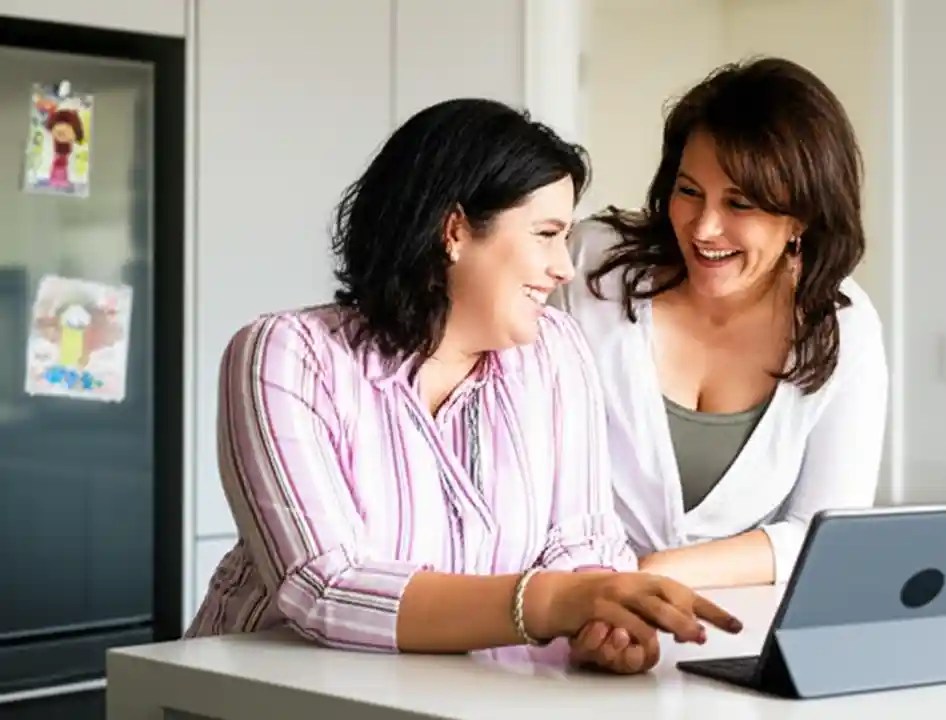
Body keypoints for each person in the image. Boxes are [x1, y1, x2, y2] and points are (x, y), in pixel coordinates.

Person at [186, 98, 741, 675]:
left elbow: (583, 547)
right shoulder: (287, 355)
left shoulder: (556, 351)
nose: (564, 268)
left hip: (461, 697)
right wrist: (551, 602)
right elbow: (325, 586)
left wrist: (603, 620)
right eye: (546, 234)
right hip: (266, 697)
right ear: (453, 231)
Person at [556, 57, 888, 589]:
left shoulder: (842, 324)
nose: (705, 227)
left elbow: (827, 533)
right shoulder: (590, 264)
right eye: (689, 192)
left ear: (800, 215)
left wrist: (649, 577)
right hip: (565, 610)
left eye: (740, 203)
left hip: (732, 629)